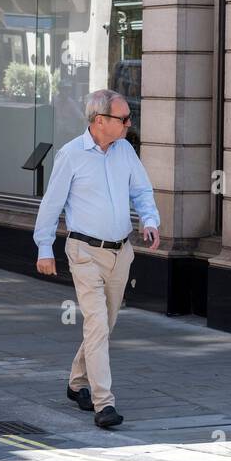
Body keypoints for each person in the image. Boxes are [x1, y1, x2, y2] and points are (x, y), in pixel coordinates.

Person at [33, 89, 160, 429]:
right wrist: (44, 248)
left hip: (121, 251)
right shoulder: (71, 155)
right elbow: (51, 204)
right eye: (123, 119)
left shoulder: (125, 151)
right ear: (99, 121)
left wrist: (150, 220)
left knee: (105, 325)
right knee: (98, 324)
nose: (129, 124)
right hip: (84, 251)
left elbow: (142, 191)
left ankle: (76, 383)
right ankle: (104, 404)